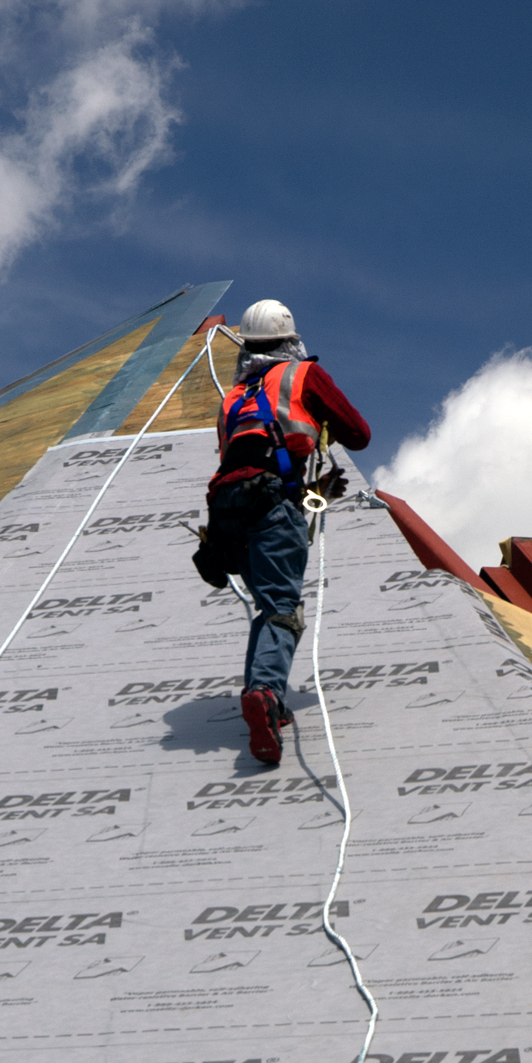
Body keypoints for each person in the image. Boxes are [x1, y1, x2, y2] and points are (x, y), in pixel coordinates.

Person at [200, 299, 370, 767]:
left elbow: (244, 463)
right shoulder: (302, 376)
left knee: (268, 606)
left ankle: (264, 694)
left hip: (226, 509)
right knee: (283, 609)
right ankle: (265, 695)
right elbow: (359, 435)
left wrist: (313, 492)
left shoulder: (232, 398)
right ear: (290, 339)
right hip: (270, 502)